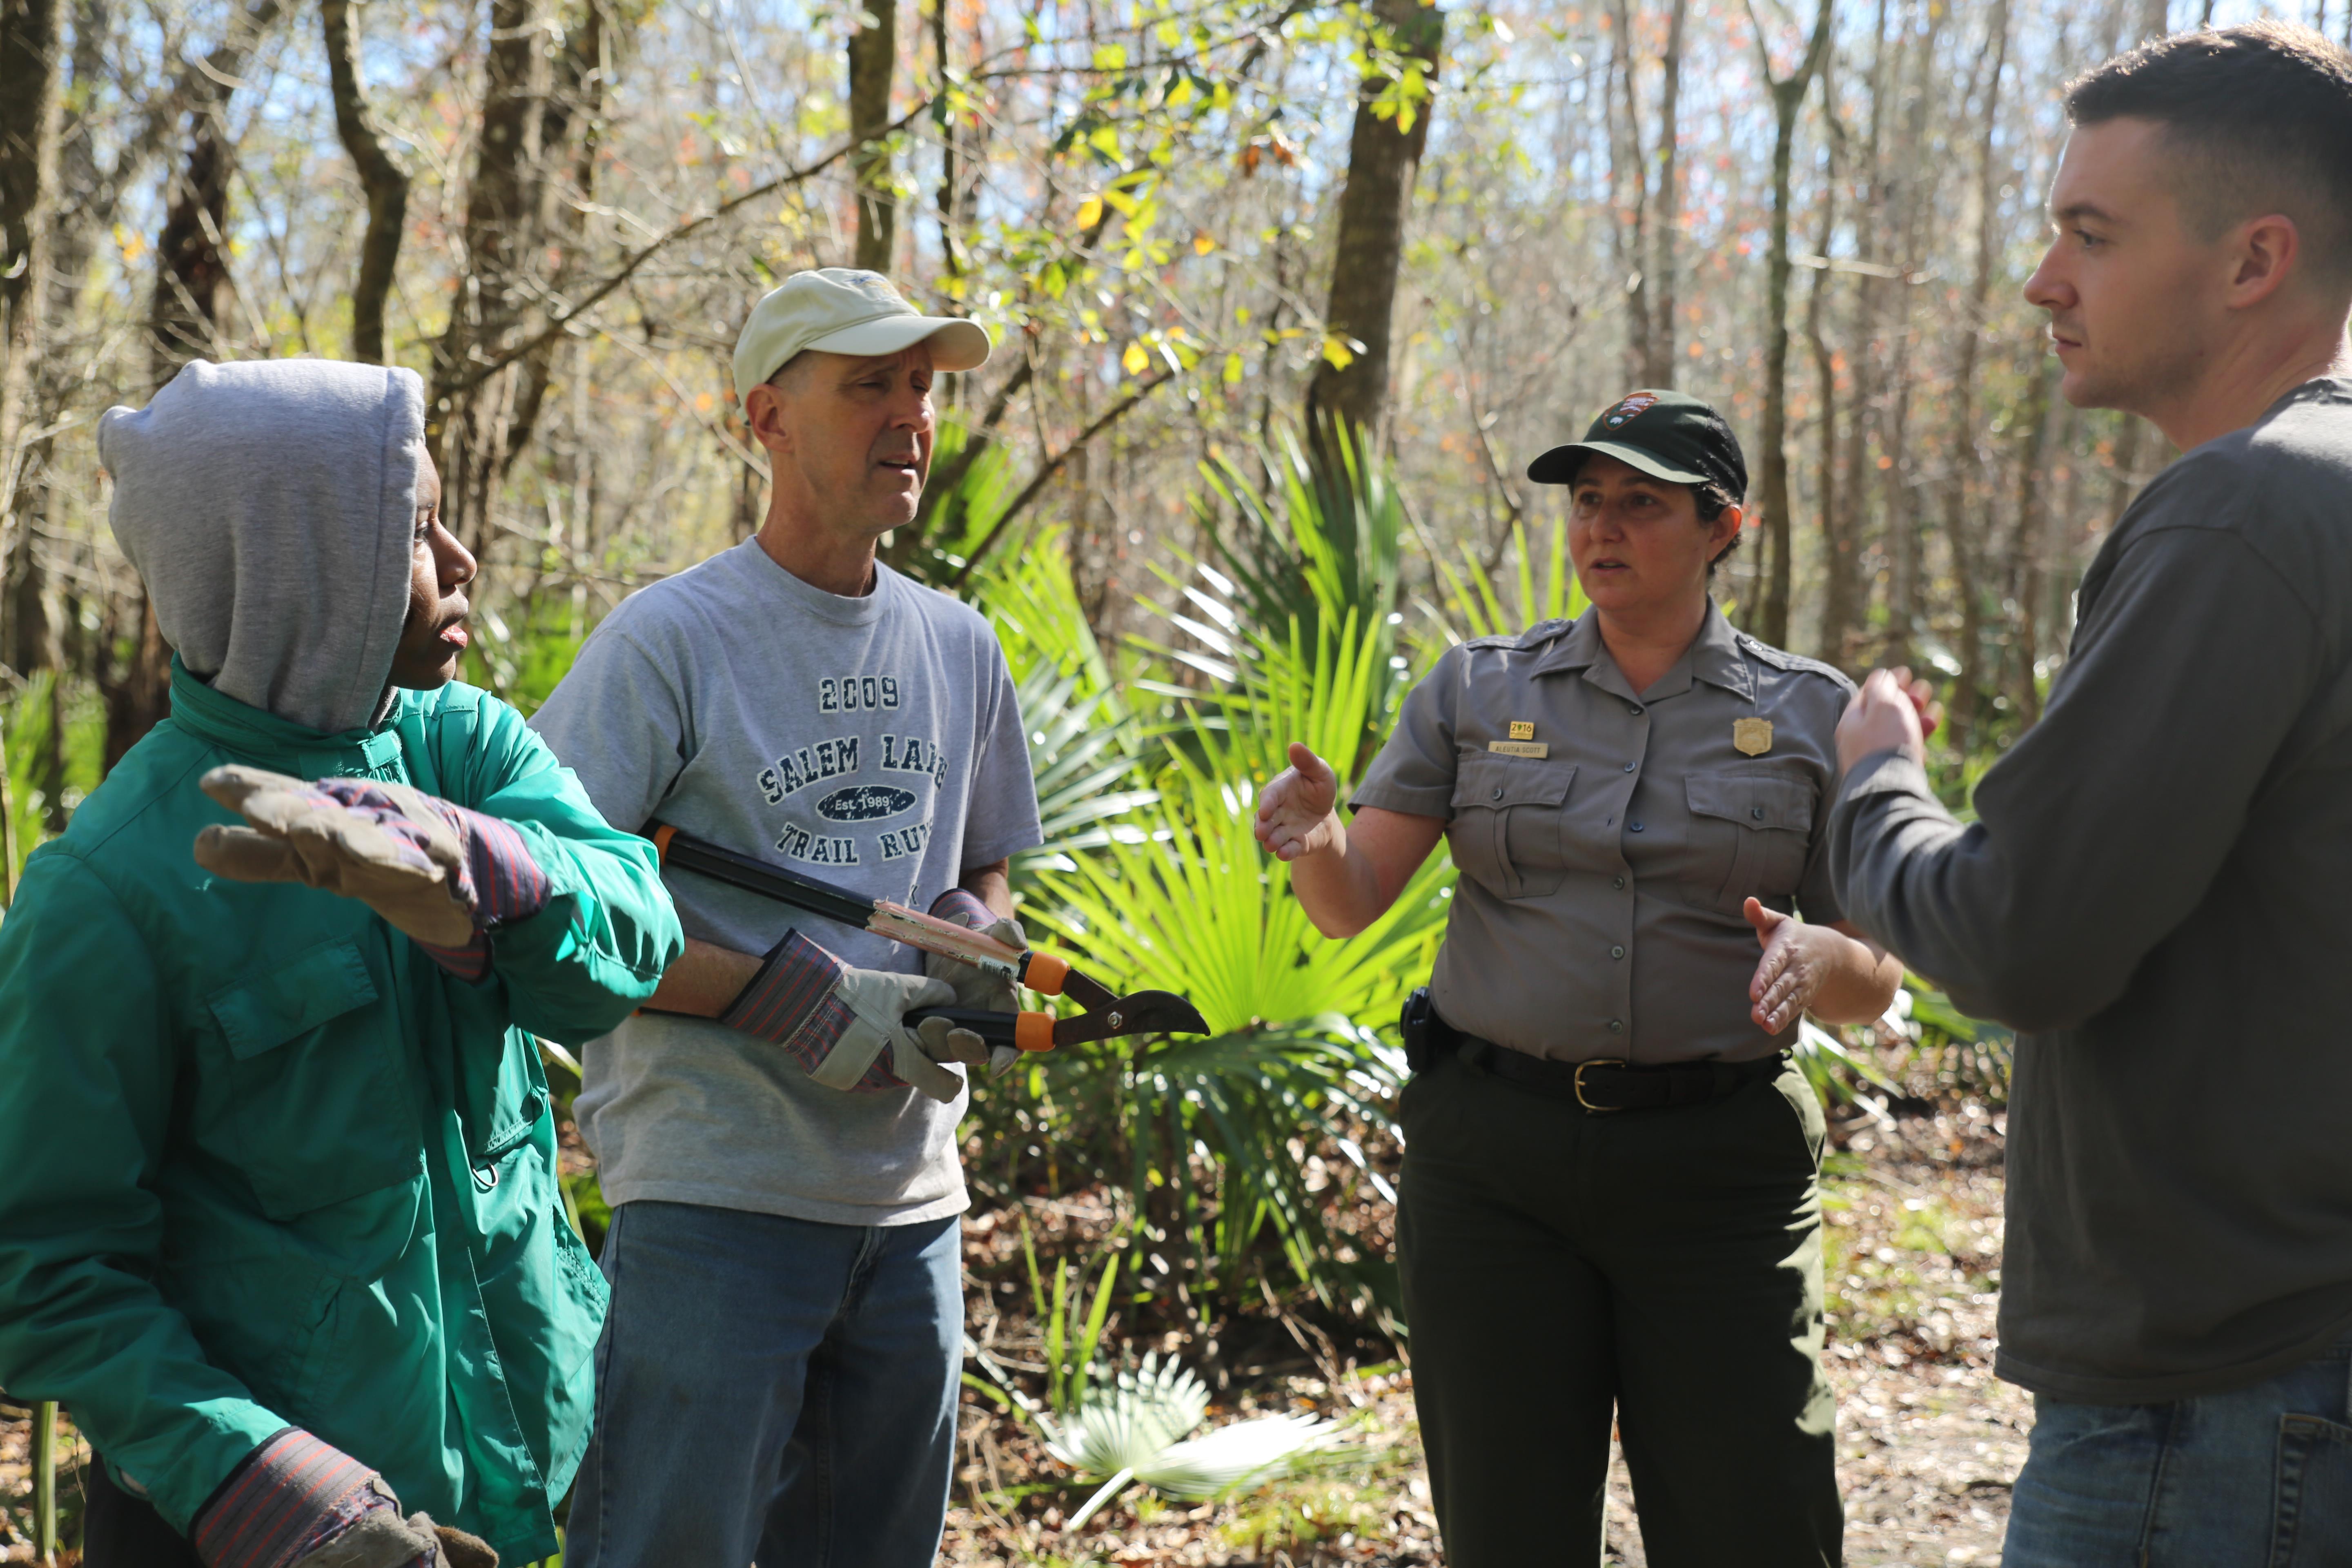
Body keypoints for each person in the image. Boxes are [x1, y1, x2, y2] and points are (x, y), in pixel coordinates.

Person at [0, 359, 683, 1567]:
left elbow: (633, 939)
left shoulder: (460, 747)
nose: (464, 560)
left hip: (525, 1471)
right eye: (416, 530)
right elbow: (45, 1271)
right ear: (298, 568)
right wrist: (264, 1486)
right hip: (272, 1532)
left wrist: (490, 883)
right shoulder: (106, 891)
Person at [1827, 23, 2352, 1566]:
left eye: (2090, 233)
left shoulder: (2246, 511)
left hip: (2214, 1408)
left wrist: (1877, 784)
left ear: (2255, 258)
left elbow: (2025, 936)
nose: (2045, 279)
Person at [1252, 389, 1902, 1567]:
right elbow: (1351, 904)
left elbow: (1877, 977)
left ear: (1725, 528)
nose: (1602, 527)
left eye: (1641, 505)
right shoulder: (1477, 690)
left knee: (1756, 1525)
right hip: (1496, 1168)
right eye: (1588, 502)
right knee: (1508, 1534)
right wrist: (1314, 842)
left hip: (1716, 1171)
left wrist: (1819, 956)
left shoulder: (1813, 713)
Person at [528, 268, 1042, 1568]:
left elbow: (989, 873)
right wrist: (783, 996)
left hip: (914, 1206)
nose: (911, 417)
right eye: (870, 384)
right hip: (716, 1202)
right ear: (766, 417)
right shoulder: (668, 643)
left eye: (922, 387)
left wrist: (973, 950)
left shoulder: (959, 645)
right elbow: (549, 911)